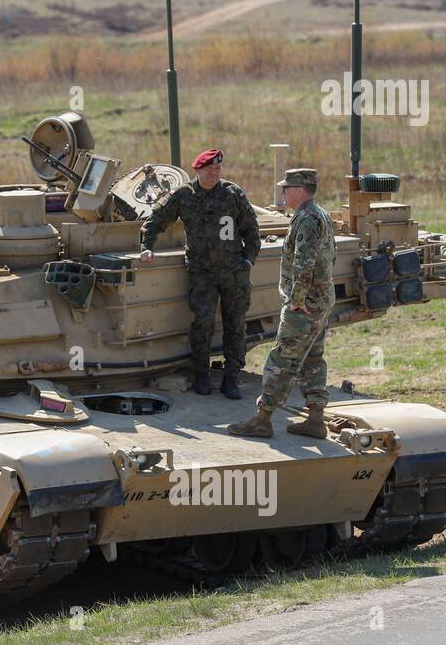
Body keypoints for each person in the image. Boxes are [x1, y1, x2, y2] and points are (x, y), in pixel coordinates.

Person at [139, 148, 261, 398]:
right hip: (202, 272)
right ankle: (202, 375)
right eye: (210, 169)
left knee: (235, 324)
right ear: (198, 170)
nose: (215, 173)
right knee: (202, 324)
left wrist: (248, 260)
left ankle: (232, 377)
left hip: (233, 271)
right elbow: (156, 220)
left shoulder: (233, 193)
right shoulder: (184, 195)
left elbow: (251, 229)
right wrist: (146, 247)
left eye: (218, 169)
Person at [229, 168, 336, 438]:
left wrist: (297, 299)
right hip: (321, 301)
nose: (283, 192)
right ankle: (315, 419)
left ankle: (262, 419)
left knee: (282, 358)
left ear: (299, 190)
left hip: (306, 304)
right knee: (313, 358)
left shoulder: (307, 219)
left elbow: (304, 263)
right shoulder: (319, 214)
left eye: (286, 188)